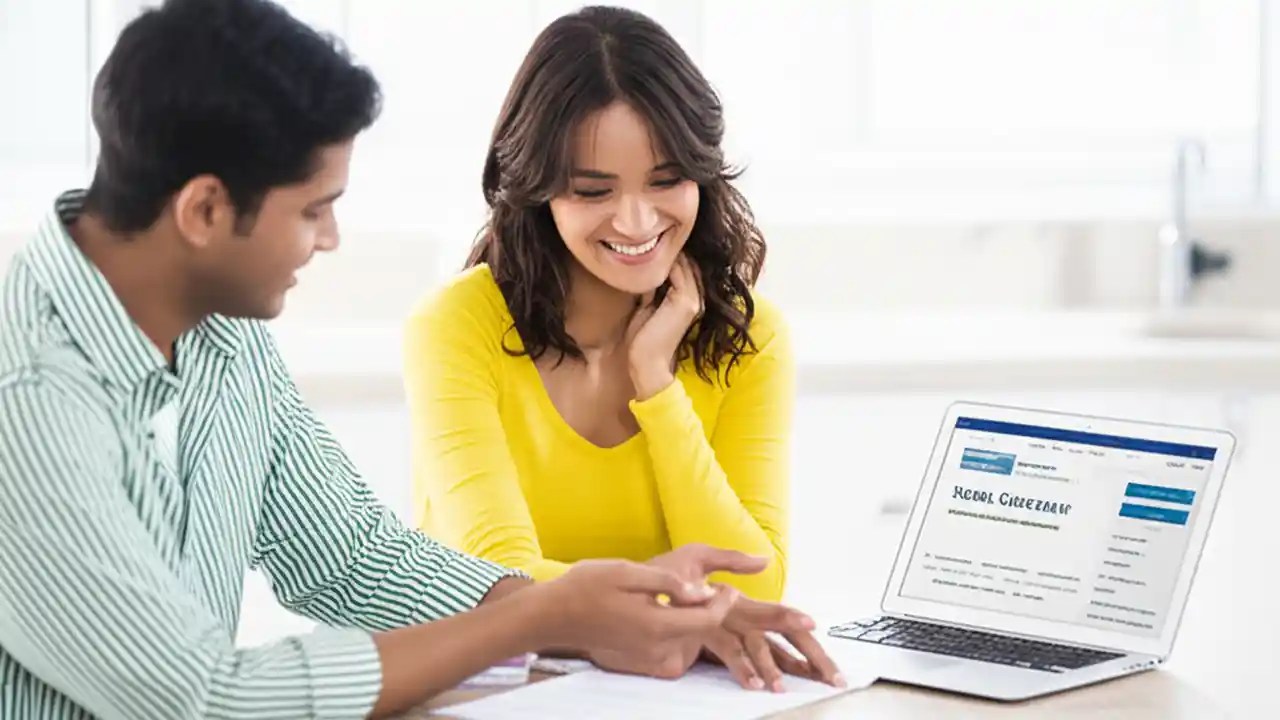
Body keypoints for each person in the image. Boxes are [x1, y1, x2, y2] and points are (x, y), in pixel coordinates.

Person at [0, 2, 841, 718]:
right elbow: (204, 696)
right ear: (205, 210)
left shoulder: (223, 336)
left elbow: (350, 556)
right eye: (314, 210)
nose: (330, 239)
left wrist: (577, 610)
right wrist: (544, 617)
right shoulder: (26, 398)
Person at [406, 6, 793, 604]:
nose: (636, 221)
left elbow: (755, 587)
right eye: (593, 191)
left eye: (665, 181)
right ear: (538, 190)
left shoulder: (750, 336)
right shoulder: (457, 327)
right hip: (492, 687)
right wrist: (678, 598)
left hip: (677, 689)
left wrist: (657, 387)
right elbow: (499, 580)